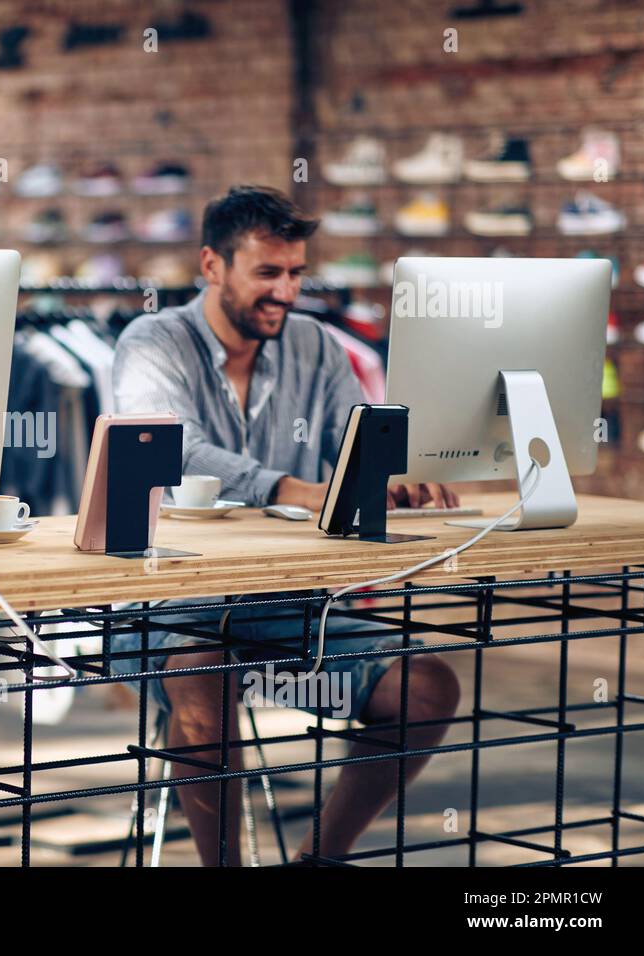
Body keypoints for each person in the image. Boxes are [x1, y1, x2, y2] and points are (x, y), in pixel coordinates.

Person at [110, 185, 461, 865]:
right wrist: (291, 488)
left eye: (296, 273)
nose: (286, 290)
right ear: (212, 266)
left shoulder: (318, 348)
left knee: (426, 687)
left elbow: (353, 448)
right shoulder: (152, 340)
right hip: (164, 606)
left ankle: (316, 861)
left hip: (281, 604)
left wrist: (391, 478)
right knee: (204, 667)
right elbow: (169, 448)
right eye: (267, 273)